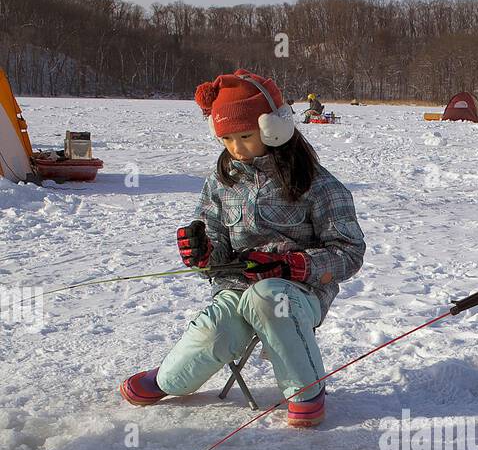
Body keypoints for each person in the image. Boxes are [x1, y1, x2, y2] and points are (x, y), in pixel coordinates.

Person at [119, 70, 365, 427]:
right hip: (236, 288)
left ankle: (306, 391)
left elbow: (349, 253)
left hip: (299, 293)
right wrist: (204, 254)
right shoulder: (220, 183)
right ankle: (168, 379)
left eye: (246, 136)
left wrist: (290, 266)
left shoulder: (319, 184)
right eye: (227, 139)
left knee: (267, 297)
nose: (236, 148)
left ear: (273, 129)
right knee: (216, 328)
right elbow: (216, 240)